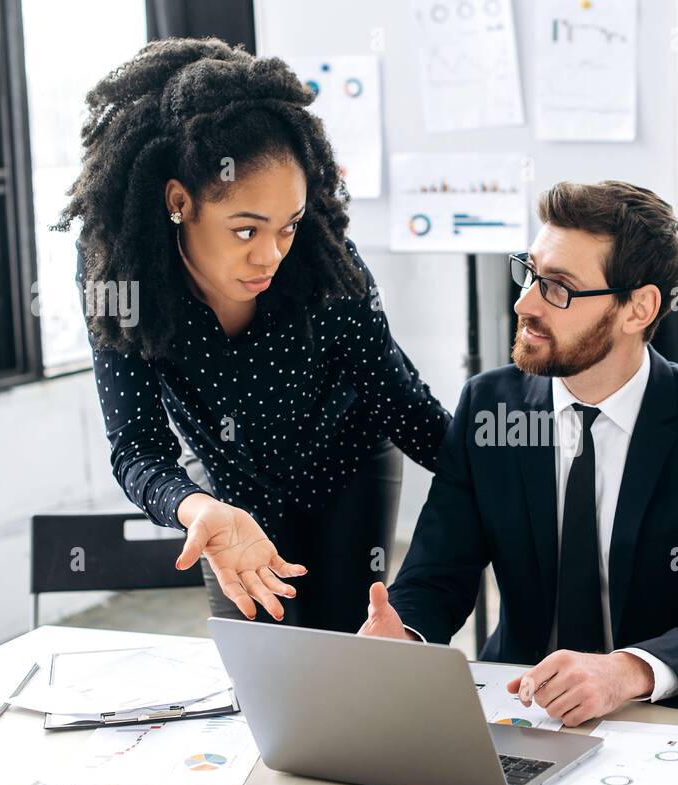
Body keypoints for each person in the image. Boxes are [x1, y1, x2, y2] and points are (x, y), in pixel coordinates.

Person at [358, 181, 678, 727]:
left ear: (639, 308)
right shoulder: (489, 407)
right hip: (518, 705)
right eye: (530, 273)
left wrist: (626, 671)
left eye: (559, 288)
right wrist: (405, 634)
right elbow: (437, 574)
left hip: (657, 717)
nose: (525, 303)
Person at [57, 38, 450, 631]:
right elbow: (137, 445)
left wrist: (504, 480)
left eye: (287, 226)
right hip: (228, 487)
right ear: (178, 202)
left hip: (346, 465)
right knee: (260, 665)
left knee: (348, 651)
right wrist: (197, 507)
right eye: (245, 230)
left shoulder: (325, 264)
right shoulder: (120, 274)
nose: (271, 255)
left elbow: (401, 405)